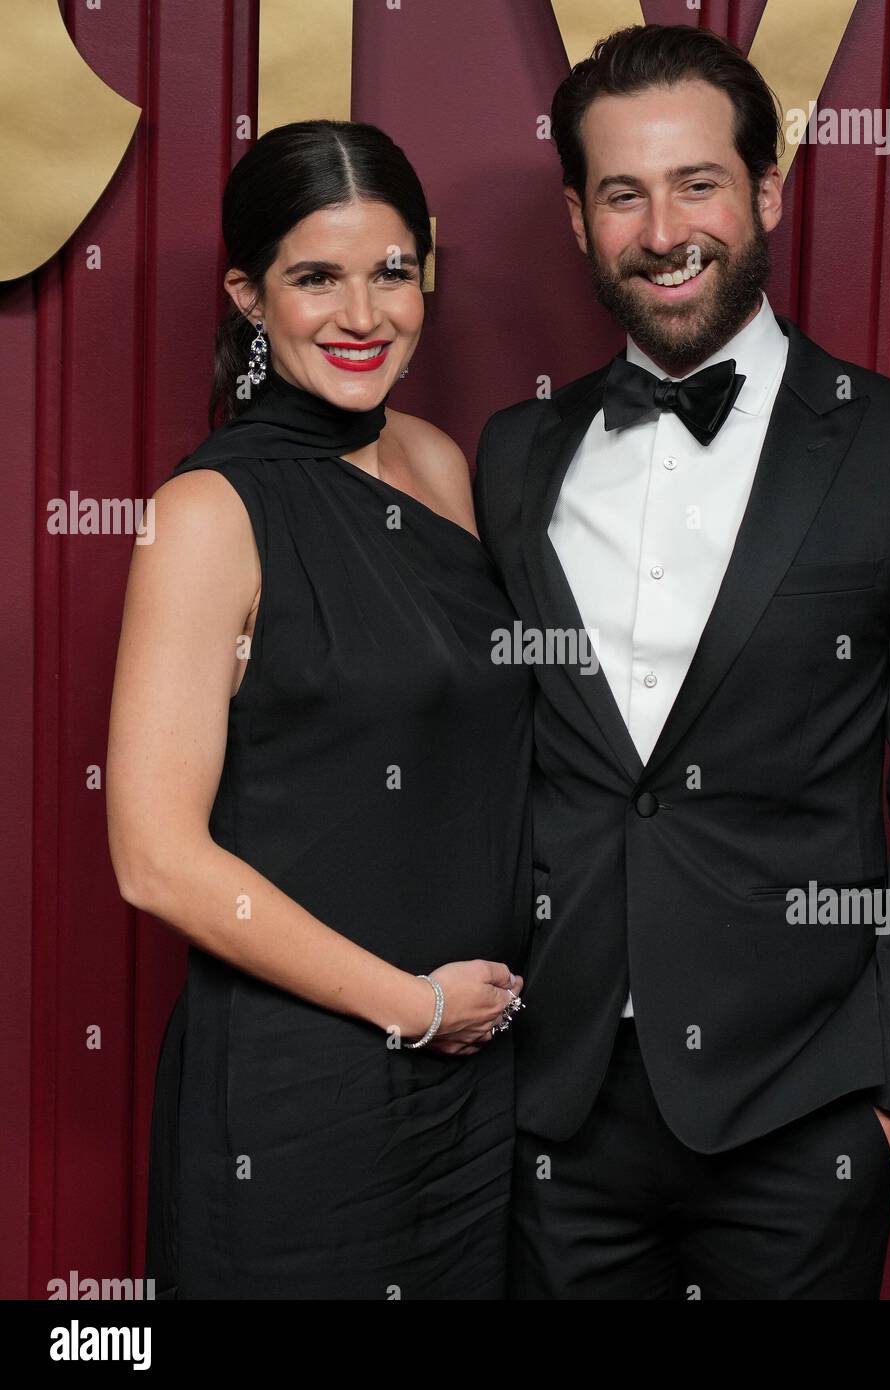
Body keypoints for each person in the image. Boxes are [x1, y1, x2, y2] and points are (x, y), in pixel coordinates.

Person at [473, 25, 890, 1299]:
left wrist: (887, 1095)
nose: (663, 228)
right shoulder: (510, 456)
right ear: (577, 216)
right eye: (622, 192)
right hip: (556, 1109)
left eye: (697, 181)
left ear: (766, 189)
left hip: (806, 1109)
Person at [106, 119, 531, 1299]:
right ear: (249, 295)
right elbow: (154, 860)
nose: (362, 314)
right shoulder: (206, 514)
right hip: (303, 1098)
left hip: (476, 1091)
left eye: (391, 271)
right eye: (314, 277)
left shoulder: (442, 465)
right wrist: (415, 1005)